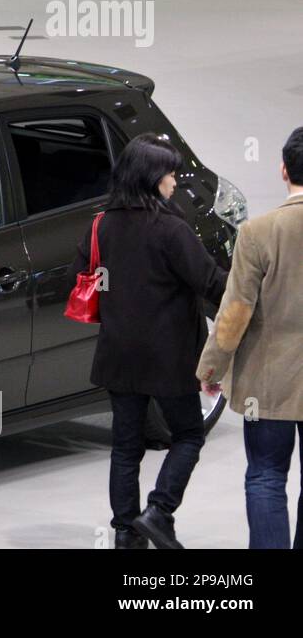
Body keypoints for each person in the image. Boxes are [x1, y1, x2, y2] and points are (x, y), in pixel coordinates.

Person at [71, 134, 228, 549]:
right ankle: (159, 511)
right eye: (170, 173)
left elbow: (82, 273)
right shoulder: (171, 229)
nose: (175, 182)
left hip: (118, 353)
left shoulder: (101, 224)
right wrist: (251, 289)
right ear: (152, 177)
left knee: (126, 446)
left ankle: (126, 534)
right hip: (170, 355)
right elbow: (211, 283)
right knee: (189, 435)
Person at [197, 127, 303, 549]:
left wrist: (212, 367)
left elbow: (235, 310)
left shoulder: (258, 234)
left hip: (268, 383)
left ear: (283, 170)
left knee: (265, 476)